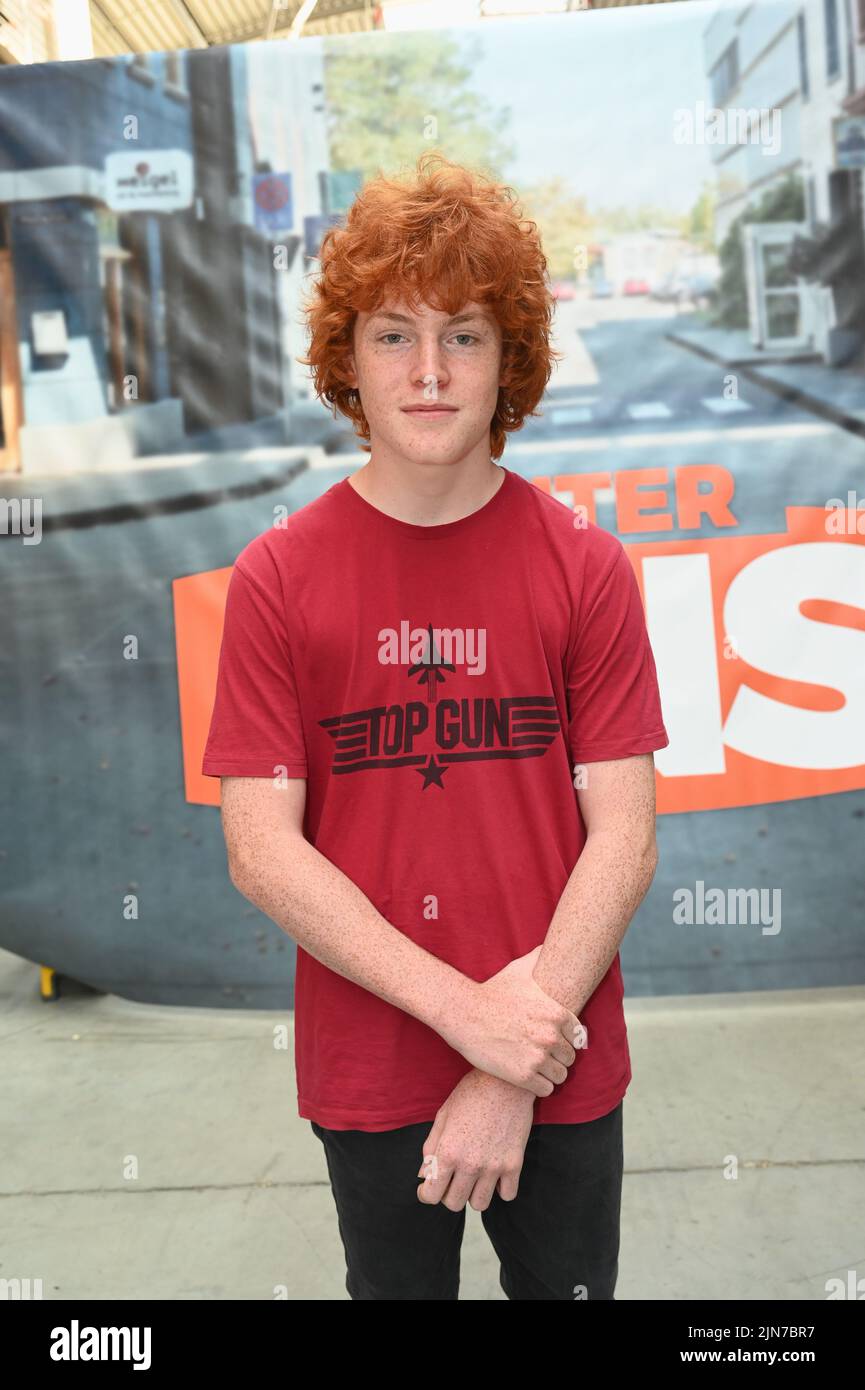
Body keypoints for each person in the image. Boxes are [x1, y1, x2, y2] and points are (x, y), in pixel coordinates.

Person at [201, 151, 669, 1300]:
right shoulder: (275, 577)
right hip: (373, 1068)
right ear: (346, 362)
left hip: (558, 1059)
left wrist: (513, 1060)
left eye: (463, 334)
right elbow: (261, 849)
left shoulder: (587, 567)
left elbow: (626, 838)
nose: (427, 371)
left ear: (508, 361)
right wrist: (469, 1018)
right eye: (393, 334)